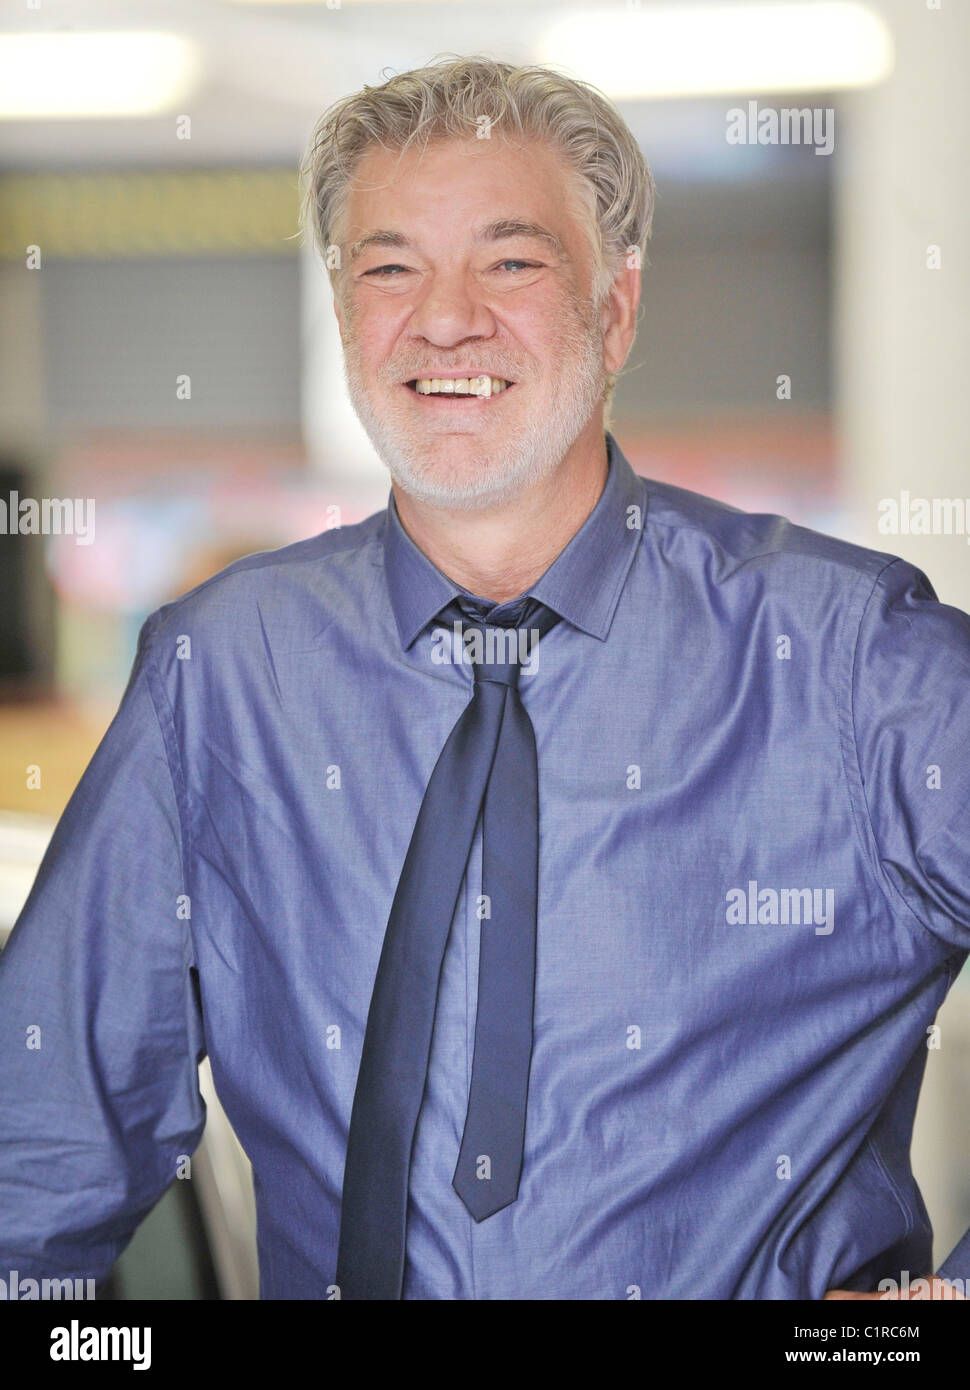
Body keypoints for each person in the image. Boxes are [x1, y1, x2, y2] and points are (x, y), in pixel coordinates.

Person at [1, 55, 967, 1301]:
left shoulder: (848, 658)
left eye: (510, 262)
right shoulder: (223, 673)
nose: (444, 318)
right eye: (388, 267)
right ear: (346, 313)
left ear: (614, 309)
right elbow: (40, 1155)